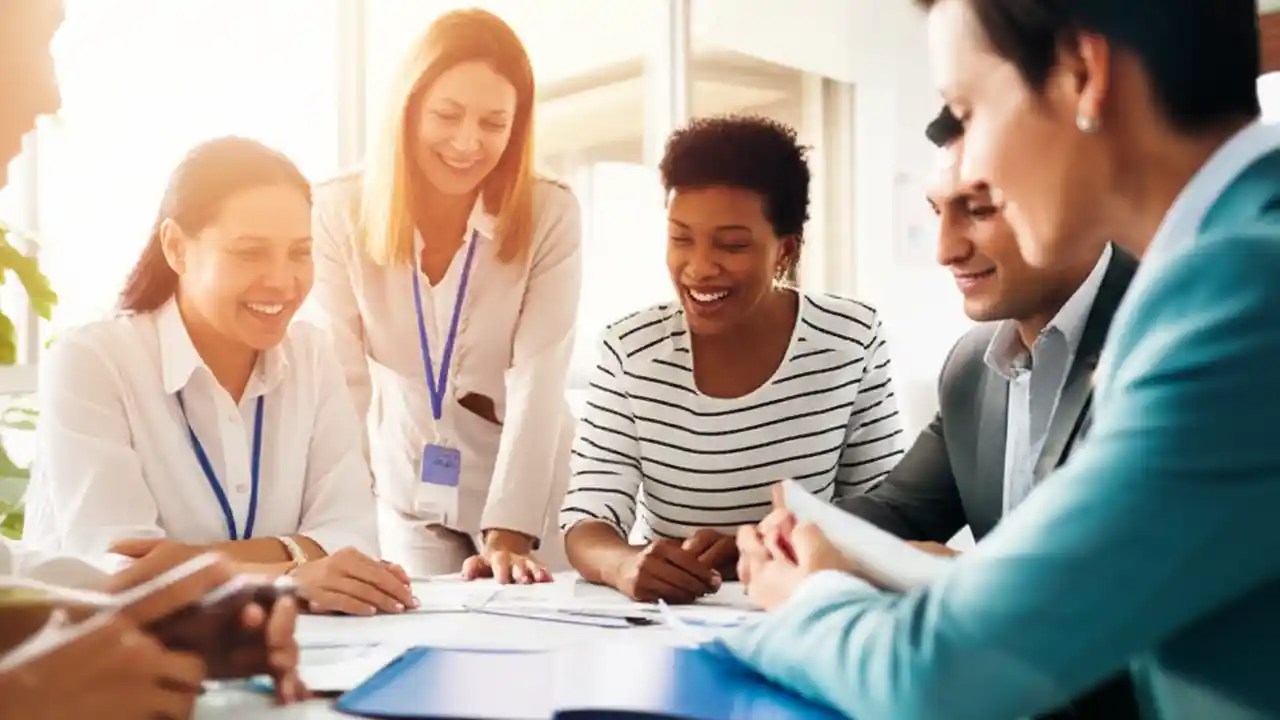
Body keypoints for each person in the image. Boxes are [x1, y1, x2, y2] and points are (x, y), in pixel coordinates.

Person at [729, 1, 1280, 718]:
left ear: (1084, 74)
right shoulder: (1220, 272)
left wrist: (804, 599)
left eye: (968, 110)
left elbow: (938, 677)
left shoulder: (1241, 295)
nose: (973, 163)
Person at [746, 108, 1139, 719]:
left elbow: (1101, 597)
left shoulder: (1158, 335)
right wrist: (800, 530)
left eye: (979, 210)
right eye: (937, 211)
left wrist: (941, 569)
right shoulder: (972, 363)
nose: (945, 250)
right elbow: (900, 508)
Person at [0, 1, 303, 715]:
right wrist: (17, 695)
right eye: (36, 43)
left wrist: (135, 615)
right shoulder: (95, 355)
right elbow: (121, 545)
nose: (51, 94)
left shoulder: (307, 358)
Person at [23, 136, 416, 618]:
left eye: (299, 252)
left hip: (292, 652)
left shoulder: (312, 355)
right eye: (250, 253)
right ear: (176, 247)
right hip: (103, 662)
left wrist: (189, 562)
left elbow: (351, 537)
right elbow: (119, 571)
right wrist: (290, 574)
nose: (282, 280)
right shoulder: (91, 363)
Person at [560, 115, 906, 603]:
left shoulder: (851, 340)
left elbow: (883, 512)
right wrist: (624, 565)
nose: (699, 267)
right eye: (681, 238)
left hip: (804, 608)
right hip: (673, 616)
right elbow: (587, 517)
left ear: (785, 250)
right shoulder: (629, 349)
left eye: (732, 244)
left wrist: (765, 546)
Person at [307, 8, 581, 582]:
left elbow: (539, 375)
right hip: (410, 485)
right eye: (448, 114)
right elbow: (341, 387)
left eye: (493, 122)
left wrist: (510, 530)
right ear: (408, 110)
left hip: (529, 492)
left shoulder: (550, 211)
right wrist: (340, 535)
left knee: (529, 635)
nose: (467, 143)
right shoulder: (338, 212)